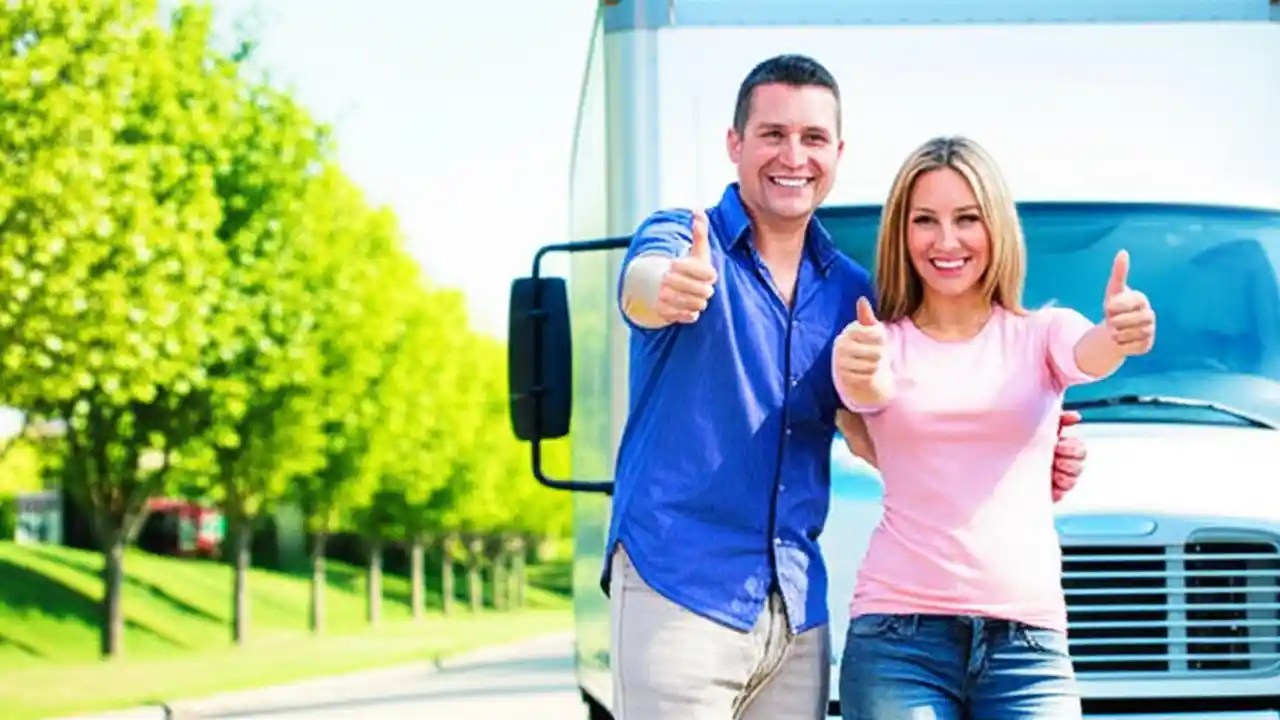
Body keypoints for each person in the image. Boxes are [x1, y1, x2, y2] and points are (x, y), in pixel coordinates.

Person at [605, 54, 1088, 720]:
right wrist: (667, 288)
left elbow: (878, 434)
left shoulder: (851, 293)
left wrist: (1021, 460)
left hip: (797, 614)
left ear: (838, 152)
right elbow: (640, 287)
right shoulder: (685, 239)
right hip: (680, 587)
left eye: (813, 138)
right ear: (734, 143)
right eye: (772, 134)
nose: (792, 156)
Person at [832, 135, 1156, 719]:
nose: (947, 240)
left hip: (1027, 648)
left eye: (967, 219)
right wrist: (857, 370)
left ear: (997, 229)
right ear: (901, 235)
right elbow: (863, 386)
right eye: (925, 220)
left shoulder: (1042, 333)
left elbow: (1090, 352)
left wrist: (1120, 334)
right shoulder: (878, 342)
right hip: (898, 642)